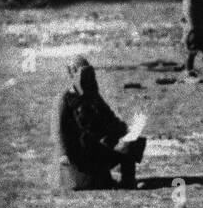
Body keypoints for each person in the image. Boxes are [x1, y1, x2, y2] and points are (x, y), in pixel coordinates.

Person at [58, 57, 146, 190]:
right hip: (80, 155)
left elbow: (110, 118)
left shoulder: (93, 96)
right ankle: (101, 178)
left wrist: (127, 132)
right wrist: (63, 154)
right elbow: (61, 131)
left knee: (131, 141)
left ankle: (127, 181)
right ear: (72, 73)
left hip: (97, 148)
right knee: (93, 181)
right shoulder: (65, 100)